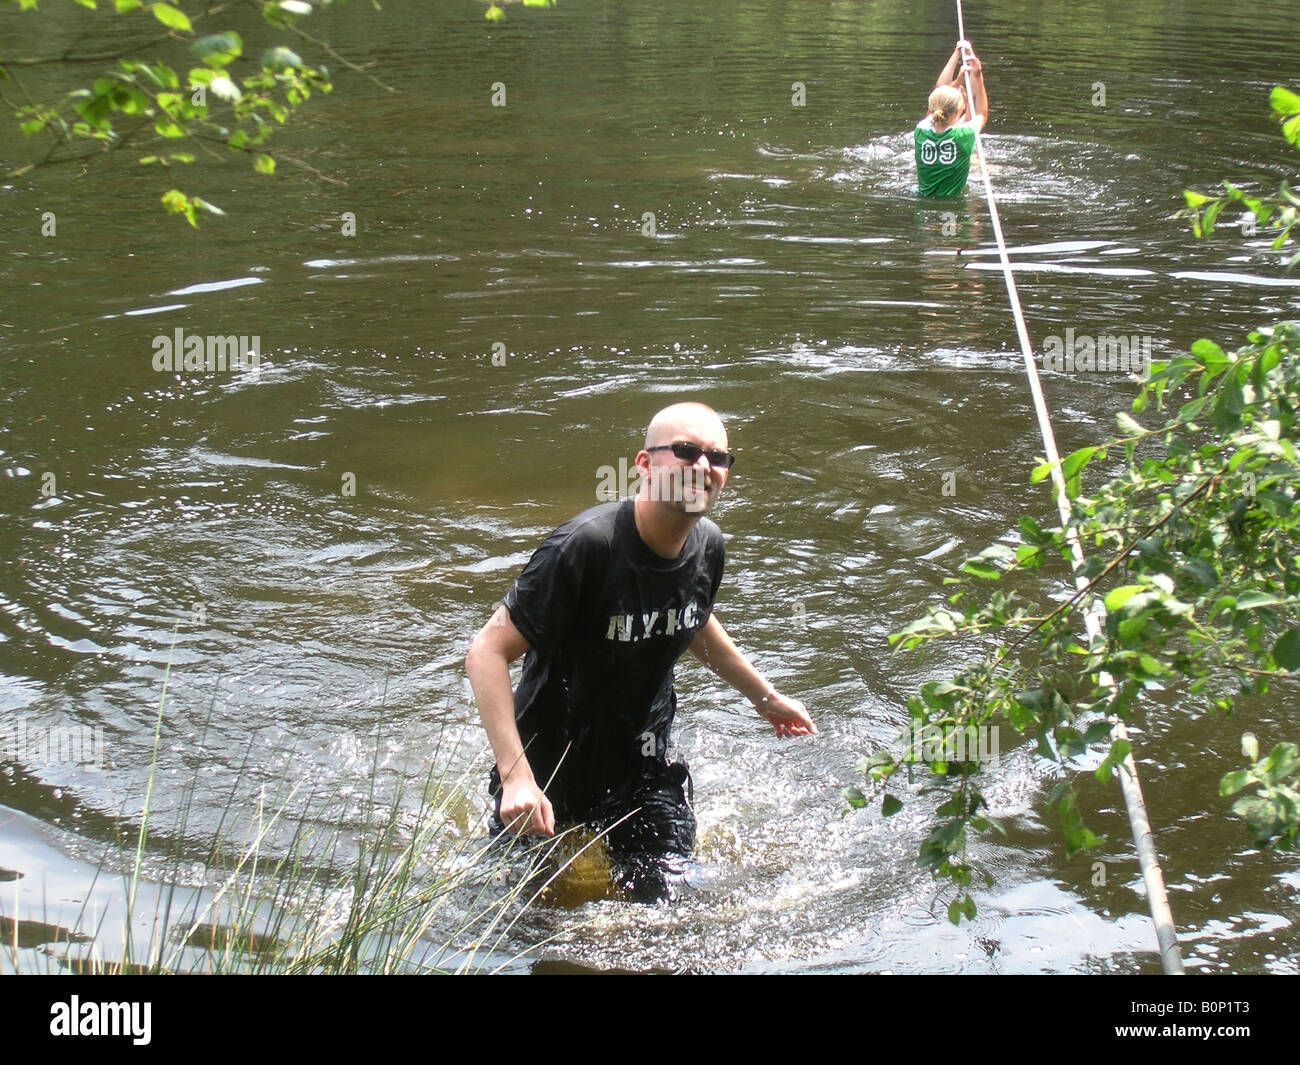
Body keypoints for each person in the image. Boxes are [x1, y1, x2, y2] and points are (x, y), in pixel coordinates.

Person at [464, 402, 816, 901]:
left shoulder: (708, 545)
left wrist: (765, 697)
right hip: (550, 772)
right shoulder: (585, 546)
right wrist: (516, 777)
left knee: (672, 907)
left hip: (643, 770)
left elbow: (691, 619)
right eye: (686, 451)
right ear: (645, 465)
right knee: (535, 923)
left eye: (717, 457)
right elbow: (485, 651)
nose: (703, 466)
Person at [915, 40, 988, 198]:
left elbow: (941, 92)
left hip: (924, 204)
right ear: (960, 109)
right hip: (954, 208)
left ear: (930, 109)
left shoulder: (920, 130)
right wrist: (977, 74)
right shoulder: (964, 134)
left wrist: (956, 53)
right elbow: (981, 113)